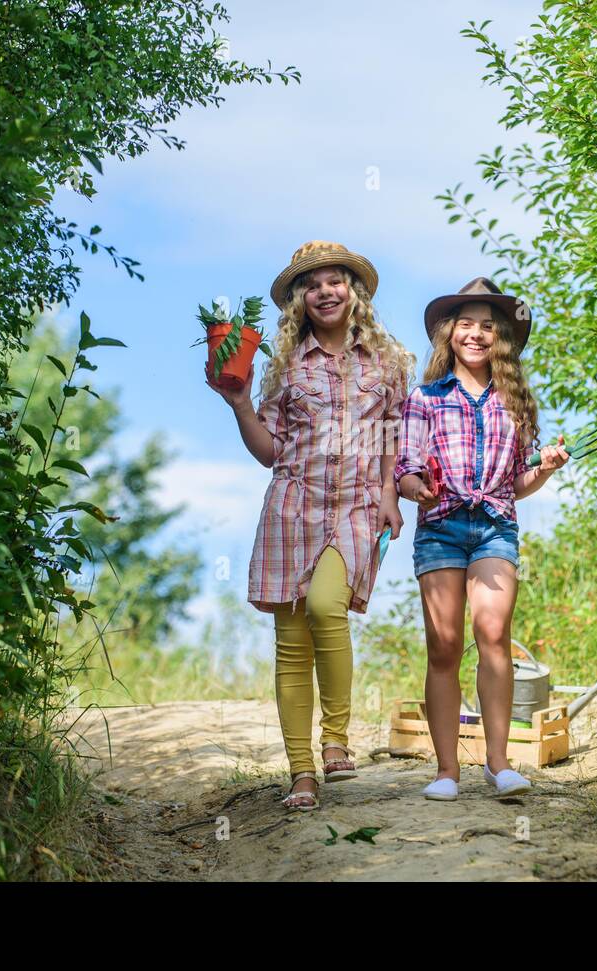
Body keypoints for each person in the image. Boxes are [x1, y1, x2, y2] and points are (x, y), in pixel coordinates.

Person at [208, 241, 415, 811]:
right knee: (291, 644)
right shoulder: (285, 366)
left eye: (336, 281)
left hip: (354, 508)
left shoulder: (387, 363)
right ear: (302, 298)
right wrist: (240, 405)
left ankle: (336, 741)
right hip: (292, 505)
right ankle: (301, 771)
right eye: (314, 284)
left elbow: (396, 435)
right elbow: (270, 451)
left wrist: (391, 492)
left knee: (328, 607)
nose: (326, 290)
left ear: (355, 293)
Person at [394, 277, 568, 800]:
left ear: (502, 338)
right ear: (449, 334)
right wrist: (415, 487)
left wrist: (548, 469)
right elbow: (404, 471)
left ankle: (498, 762)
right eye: (466, 324)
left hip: (494, 525)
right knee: (443, 646)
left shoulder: (516, 403)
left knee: (493, 633)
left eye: (487, 327)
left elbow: (518, 481)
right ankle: (447, 770)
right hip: (441, 526)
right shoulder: (424, 398)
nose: (476, 334)